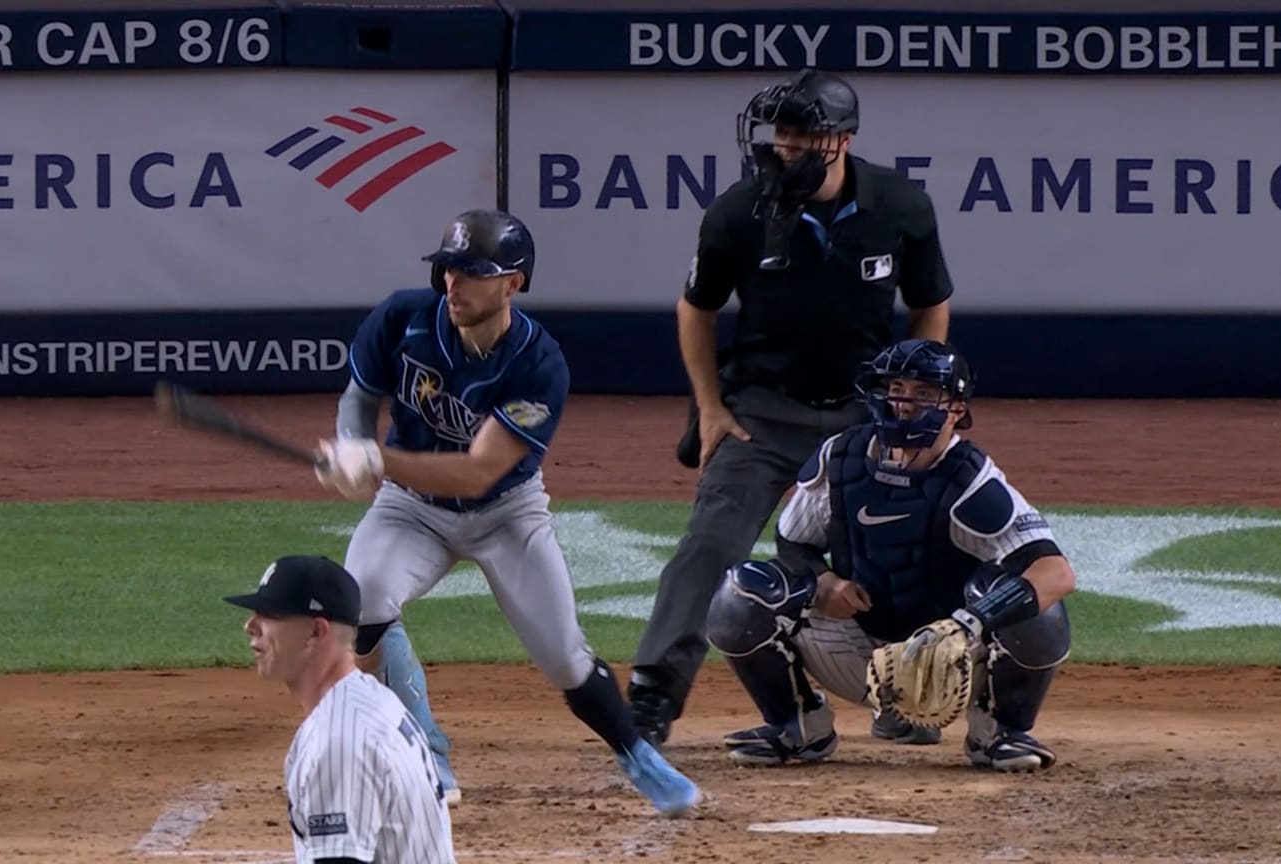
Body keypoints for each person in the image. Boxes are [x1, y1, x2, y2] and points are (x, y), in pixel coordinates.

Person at [309, 208, 699, 817]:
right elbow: (360, 398)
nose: (453, 285)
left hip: (505, 513)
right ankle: (425, 750)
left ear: (514, 282)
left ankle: (637, 754)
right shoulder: (402, 318)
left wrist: (375, 459)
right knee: (362, 600)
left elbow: (478, 470)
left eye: (472, 273)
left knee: (564, 656)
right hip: (410, 508)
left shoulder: (539, 364)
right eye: (448, 269)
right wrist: (351, 447)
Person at [629, 68, 956, 748]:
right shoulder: (736, 213)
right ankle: (654, 696)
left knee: (890, 548)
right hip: (762, 411)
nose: (787, 148)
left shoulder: (899, 206)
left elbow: (929, 305)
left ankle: (898, 689)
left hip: (863, 417)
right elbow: (696, 310)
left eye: (803, 136)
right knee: (709, 545)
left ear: (841, 140)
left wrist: (911, 401)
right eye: (780, 135)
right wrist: (710, 407)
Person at [702, 339, 1077, 771]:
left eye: (923, 393)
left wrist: (965, 626)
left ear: (955, 407)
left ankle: (998, 731)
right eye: (896, 389)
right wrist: (825, 582)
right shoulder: (842, 458)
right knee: (742, 594)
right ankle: (798, 726)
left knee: (1038, 613)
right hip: (855, 650)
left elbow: (1055, 573)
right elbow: (793, 542)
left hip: (951, 662)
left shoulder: (972, 482)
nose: (904, 404)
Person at [224, 554, 457, 863]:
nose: (250, 626)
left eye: (270, 614)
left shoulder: (339, 742)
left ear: (316, 632)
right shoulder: (372, 699)